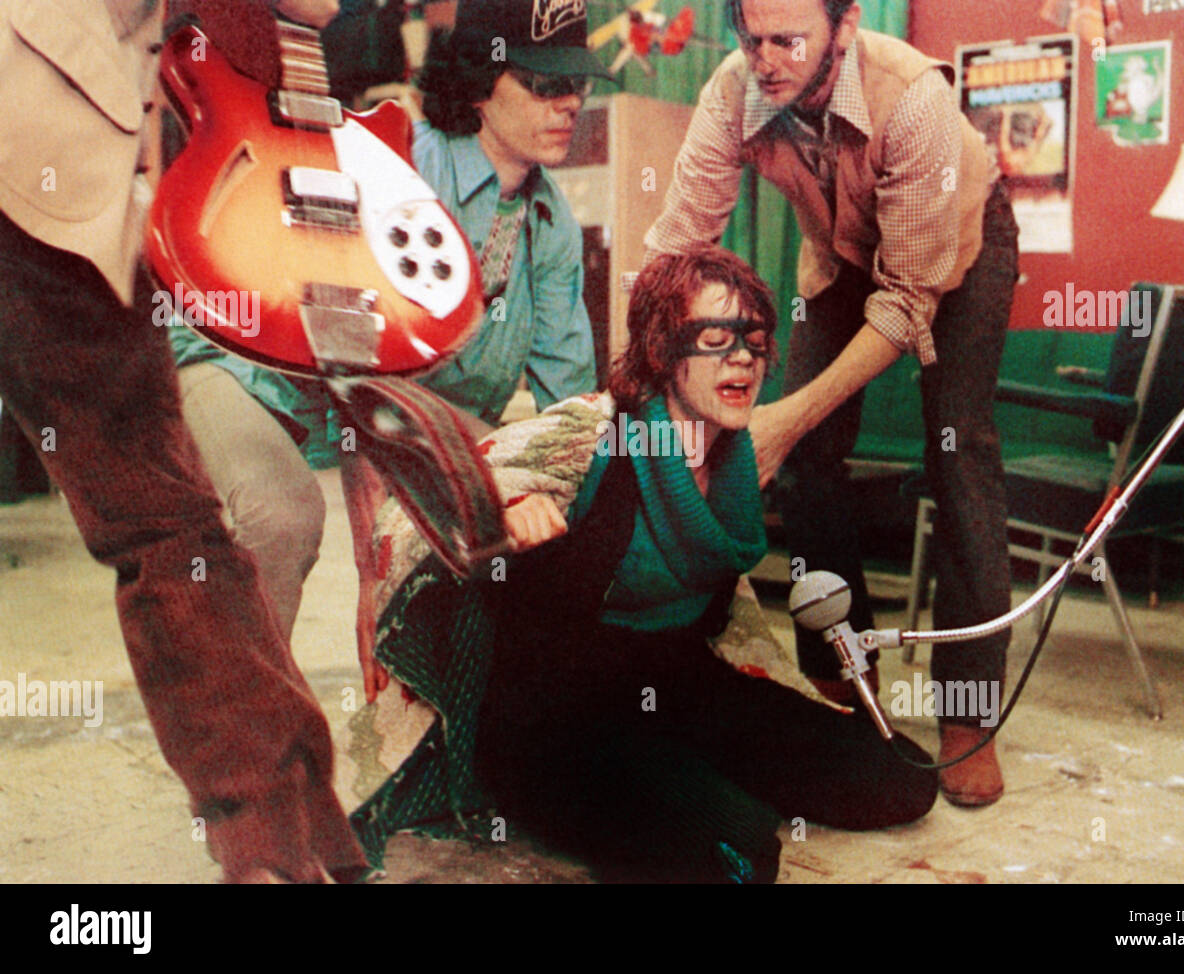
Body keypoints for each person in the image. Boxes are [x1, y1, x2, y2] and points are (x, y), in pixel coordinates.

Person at [350, 246, 938, 882]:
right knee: (737, 854)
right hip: (553, 723)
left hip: (678, 685)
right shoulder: (594, 434)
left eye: (755, 341)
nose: (741, 356)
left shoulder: (738, 455)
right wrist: (506, 510)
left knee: (901, 777)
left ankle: (694, 776)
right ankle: (674, 794)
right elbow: (438, 492)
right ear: (661, 352)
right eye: (715, 339)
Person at [0, 0, 366, 882]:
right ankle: (280, 847)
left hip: (48, 135)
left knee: (173, 532)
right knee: (169, 530)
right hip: (42, 150)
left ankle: (293, 842)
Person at [164, 0, 607, 689]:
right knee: (283, 519)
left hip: (415, 413)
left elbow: (567, 407)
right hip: (244, 364)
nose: (569, 103)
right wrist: (381, 571)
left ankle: (468, 748)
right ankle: (248, 763)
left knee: (545, 521)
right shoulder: (401, 162)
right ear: (480, 86)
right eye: (544, 84)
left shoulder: (549, 224)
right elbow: (363, 386)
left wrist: (565, 493)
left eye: (578, 83)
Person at [644, 0, 1020, 807]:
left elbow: (905, 302)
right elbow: (679, 246)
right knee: (804, 462)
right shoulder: (731, 90)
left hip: (953, 254)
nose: (767, 59)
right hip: (843, 255)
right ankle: (846, 675)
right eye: (752, 39)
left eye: (790, 40)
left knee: (957, 446)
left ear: (843, 30)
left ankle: (967, 713)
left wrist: (786, 416)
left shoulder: (914, 96)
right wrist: (631, 380)